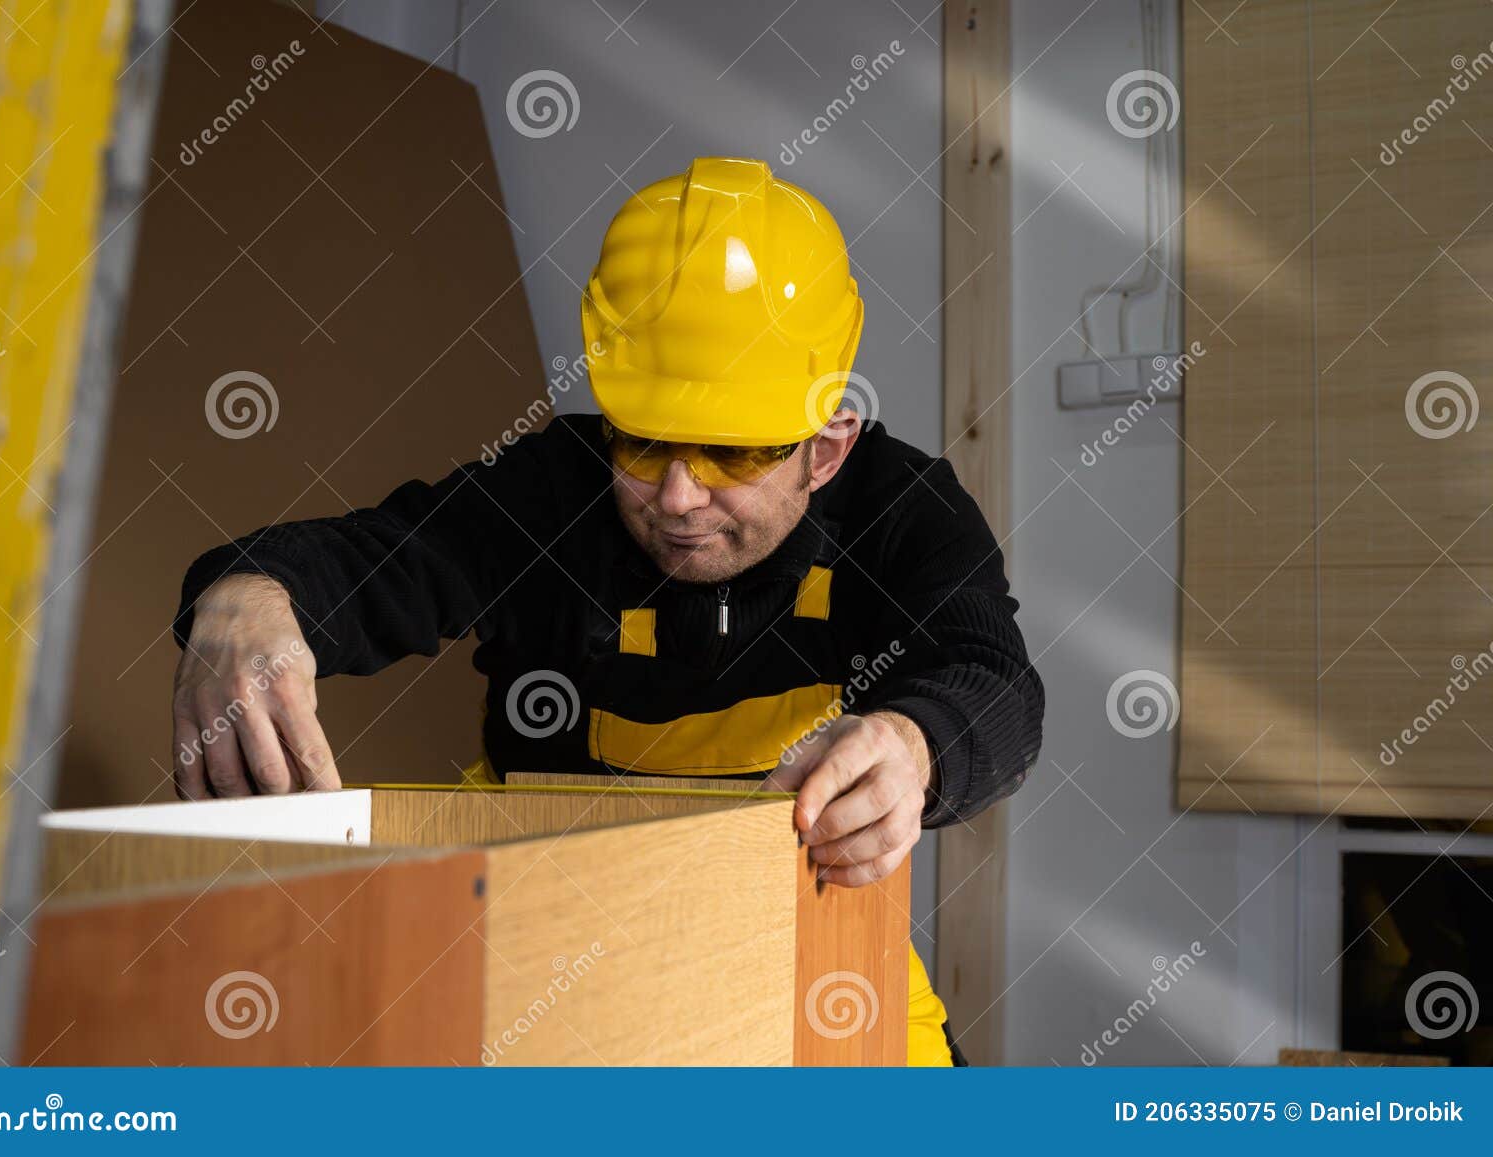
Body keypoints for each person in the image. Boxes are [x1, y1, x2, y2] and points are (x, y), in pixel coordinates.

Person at [170, 156, 1045, 1066]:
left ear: (825, 449)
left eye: (732, 456)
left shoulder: (896, 510)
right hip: (535, 931)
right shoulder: (554, 489)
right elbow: (378, 557)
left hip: (805, 936)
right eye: (643, 438)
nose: (675, 497)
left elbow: (992, 678)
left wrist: (915, 746)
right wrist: (244, 597)